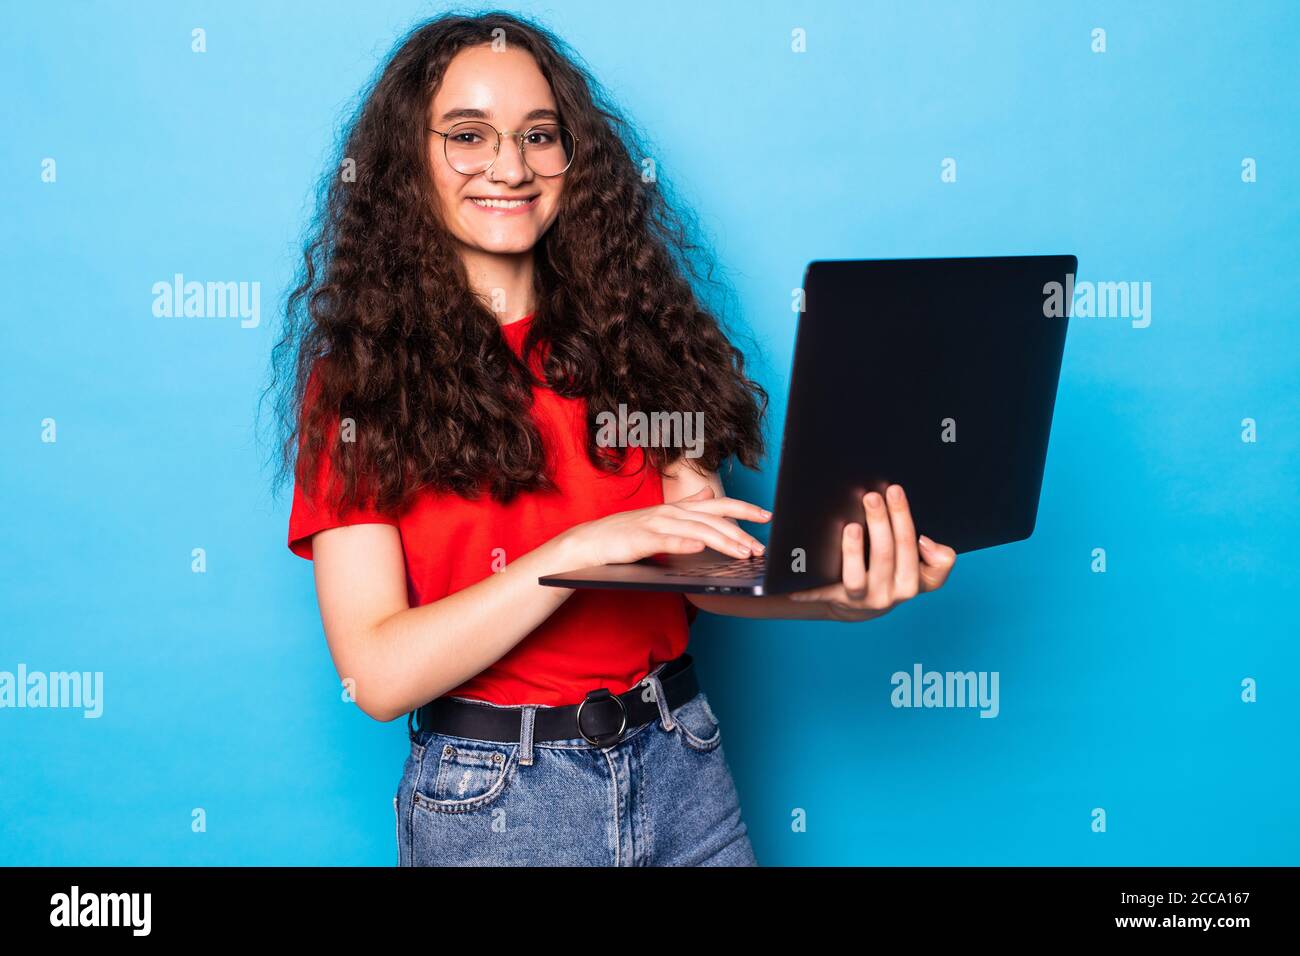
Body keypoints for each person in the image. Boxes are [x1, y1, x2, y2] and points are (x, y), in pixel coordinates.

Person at [269, 11, 956, 866]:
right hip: (495, 808)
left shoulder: (642, 339)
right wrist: (586, 548)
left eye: (540, 136)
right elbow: (375, 672)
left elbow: (703, 574)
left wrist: (845, 592)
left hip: (683, 767)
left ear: (575, 157)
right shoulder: (358, 388)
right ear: (409, 159)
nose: (511, 167)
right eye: (468, 136)